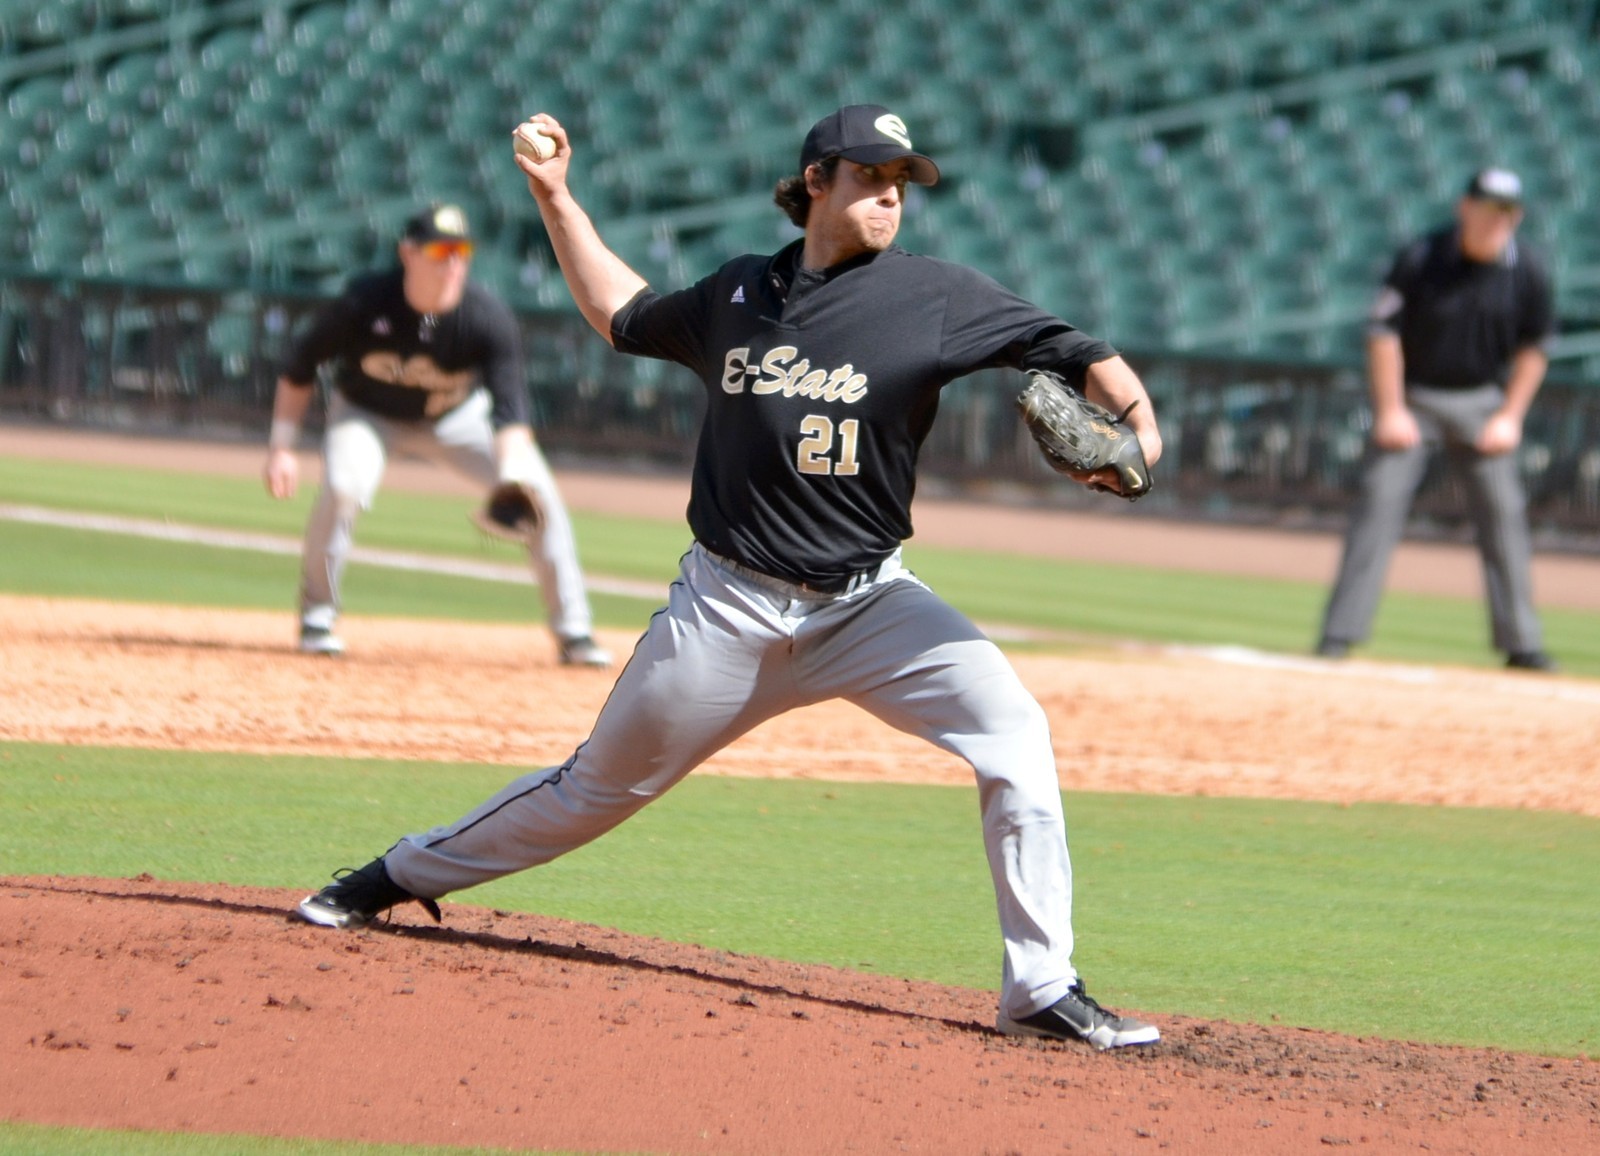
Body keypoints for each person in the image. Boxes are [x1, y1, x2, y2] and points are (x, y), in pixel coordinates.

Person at [295, 105, 1165, 1050]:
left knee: (1016, 736)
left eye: (902, 183)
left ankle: (1039, 986)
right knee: (594, 789)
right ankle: (394, 877)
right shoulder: (739, 293)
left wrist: (1139, 435)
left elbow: (1087, 356)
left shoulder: (938, 296)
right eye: (872, 177)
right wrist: (555, 198)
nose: (889, 197)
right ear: (818, 181)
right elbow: (619, 313)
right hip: (727, 606)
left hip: (871, 606)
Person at [262, 203, 612, 667]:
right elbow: (299, 367)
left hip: (457, 419)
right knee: (344, 489)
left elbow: (511, 415)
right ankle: (317, 618)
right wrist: (281, 447)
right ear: (408, 252)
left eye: (462, 250)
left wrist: (510, 477)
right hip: (368, 414)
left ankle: (575, 632)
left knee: (539, 494)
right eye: (441, 249)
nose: (453, 261)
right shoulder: (363, 303)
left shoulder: (486, 317)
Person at [1316, 168, 1558, 671]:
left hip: (1483, 404)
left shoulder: (1527, 267)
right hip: (1416, 400)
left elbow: (1535, 348)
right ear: (1464, 207)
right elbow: (1383, 332)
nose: (1497, 219)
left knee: (1504, 514)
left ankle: (1522, 643)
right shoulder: (1423, 257)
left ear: (1517, 216)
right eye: (1488, 207)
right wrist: (1390, 410)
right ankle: (1339, 634)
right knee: (1378, 504)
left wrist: (1510, 417)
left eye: (1507, 211)